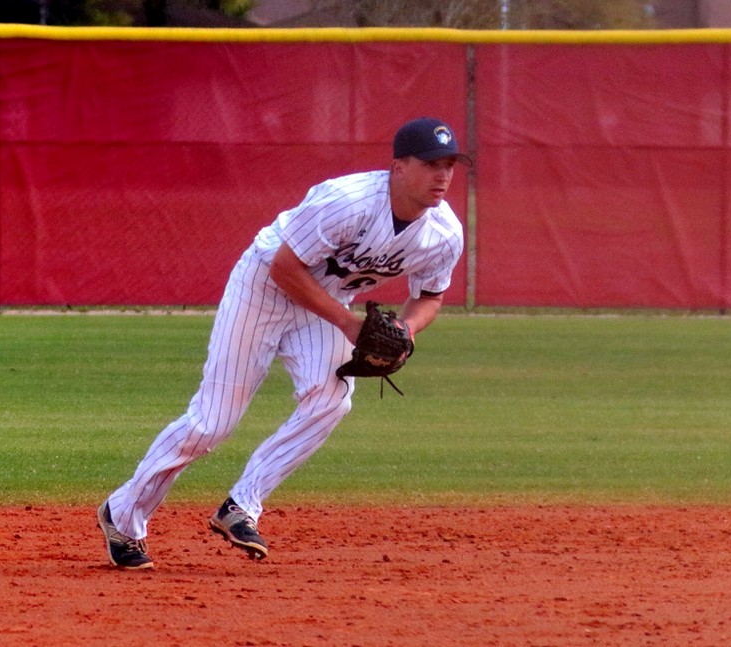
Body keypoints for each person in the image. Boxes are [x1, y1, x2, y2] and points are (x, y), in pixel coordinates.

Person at [97, 116, 472, 569]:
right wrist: (350, 326)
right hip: (264, 286)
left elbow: (430, 295)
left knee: (331, 400)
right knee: (212, 423)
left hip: (327, 299)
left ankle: (241, 505)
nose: (443, 174)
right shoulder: (347, 201)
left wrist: (407, 331)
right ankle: (123, 514)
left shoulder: (444, 232)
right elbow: (284, 268)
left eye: (450, 163)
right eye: (432, 163)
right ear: (398, 166)